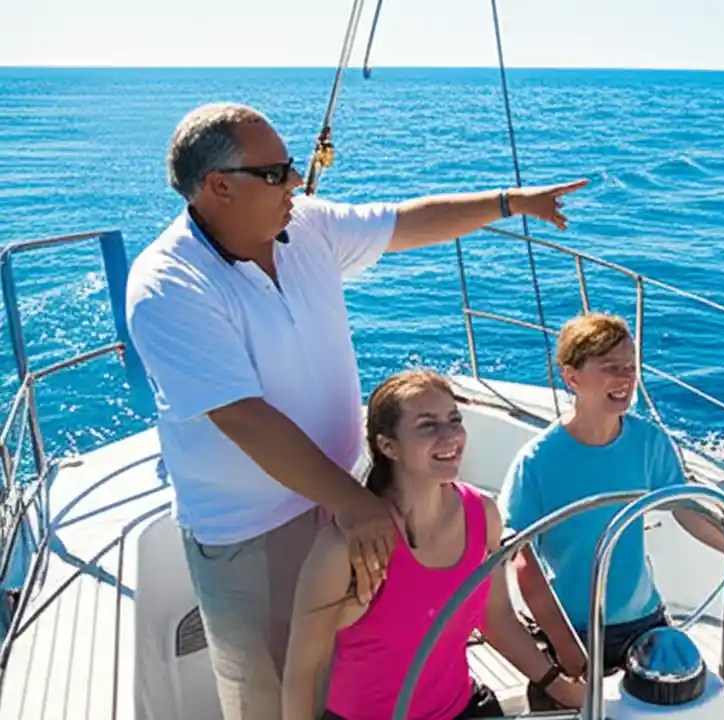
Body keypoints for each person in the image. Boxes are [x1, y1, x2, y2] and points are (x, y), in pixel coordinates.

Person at [124, 101, 586, 719]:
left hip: (341, 502)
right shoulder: (169, 283)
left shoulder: (305, 226)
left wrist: (510, 202)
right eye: (277, 172)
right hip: (252, 531)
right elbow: (241, 416)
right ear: (218, 188)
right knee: (273, 691)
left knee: (348, 668)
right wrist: (354, 503)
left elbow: (406, 222)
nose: (296, 181)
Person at [498, 312, 724, 709]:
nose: (625, 378)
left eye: (631, 367)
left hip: (643, 619)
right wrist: (564, 645)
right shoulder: (537, 461)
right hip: (571, 626)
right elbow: (523, 560)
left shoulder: (649, 442)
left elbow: (685, 509)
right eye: (611, 368)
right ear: (571, 377)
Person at [282, 370, 585, 719]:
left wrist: (559, 686)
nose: (450, 436)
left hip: (463, 708)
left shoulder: (482, 515)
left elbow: (496, 618)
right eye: (428, 425)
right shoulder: (343, 548)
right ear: (388, 446)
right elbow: (303, 673)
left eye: (454, 420)